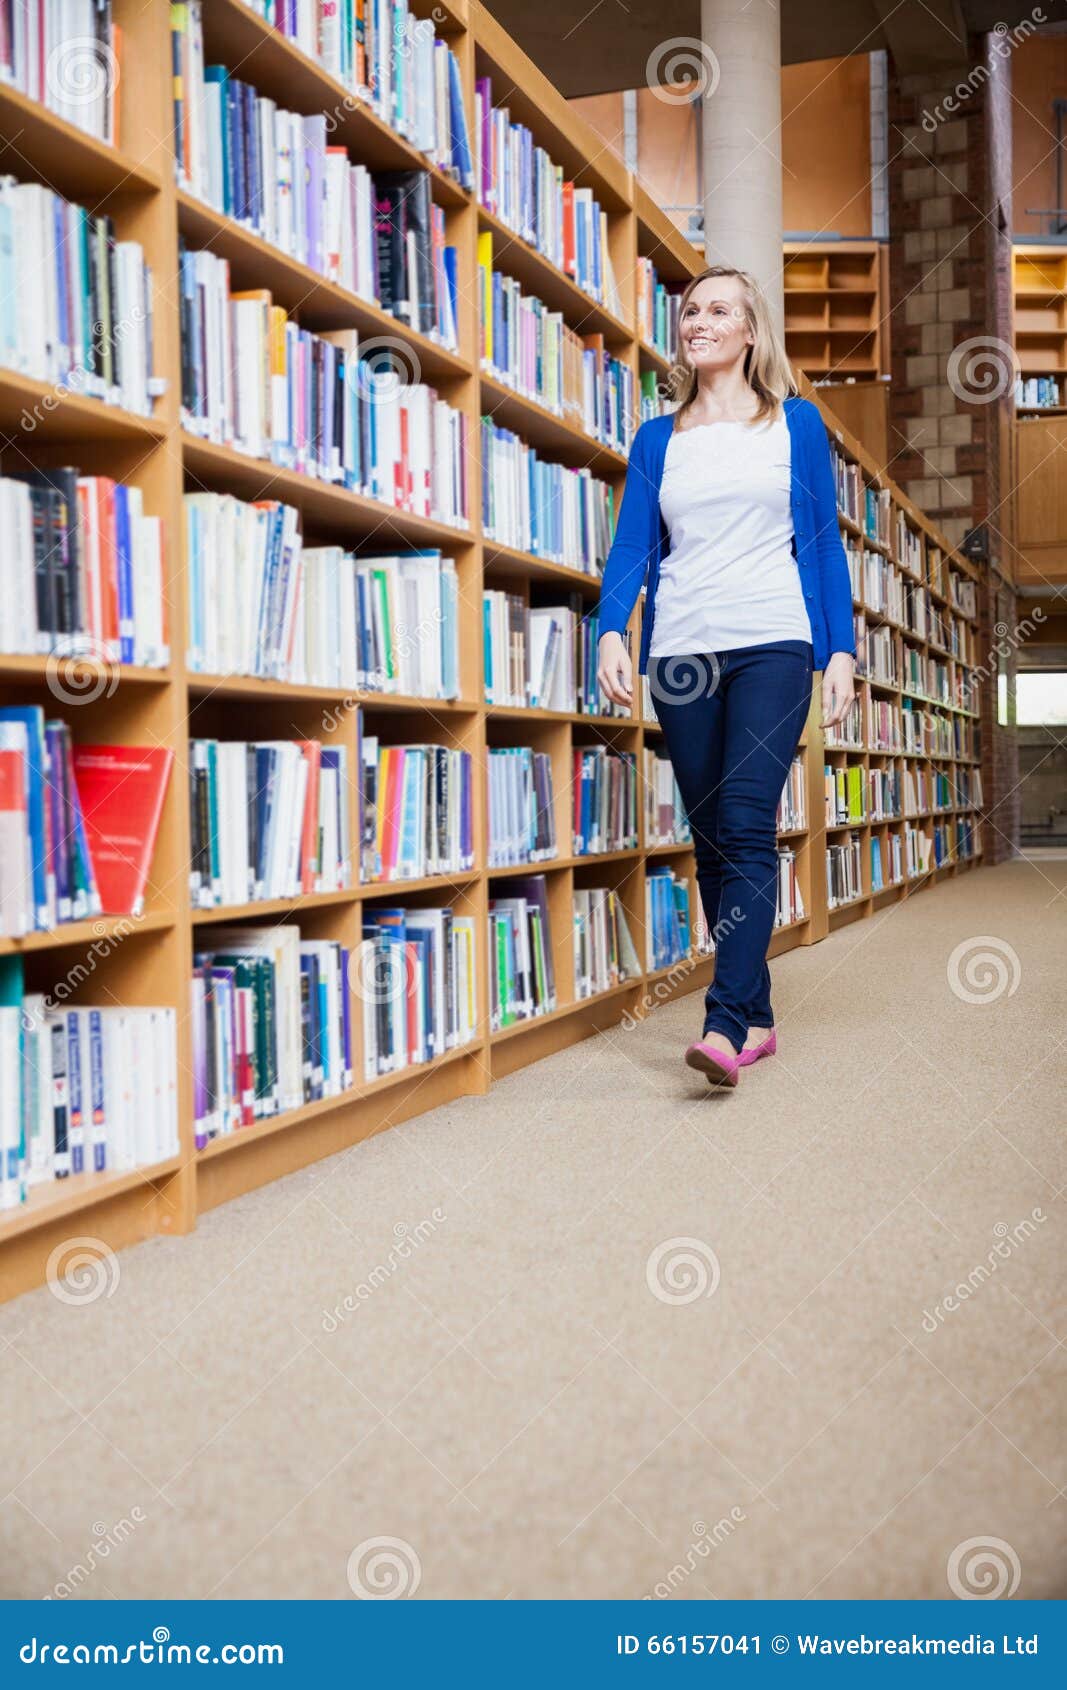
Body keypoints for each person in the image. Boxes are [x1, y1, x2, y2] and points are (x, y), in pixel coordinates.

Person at [596, 265, 856, 1088]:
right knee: (709, 835)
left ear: (750, 331)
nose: (699, 320)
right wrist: (611, 630)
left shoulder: (797, 426)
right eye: (689, 309)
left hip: (772, 640)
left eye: (718, 310)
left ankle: (721, 1016)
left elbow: (819, 544)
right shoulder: (654, 439)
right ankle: (760, 1014)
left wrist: (838, 650)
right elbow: (634, 544)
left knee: (745, 820)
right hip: (680, 650)